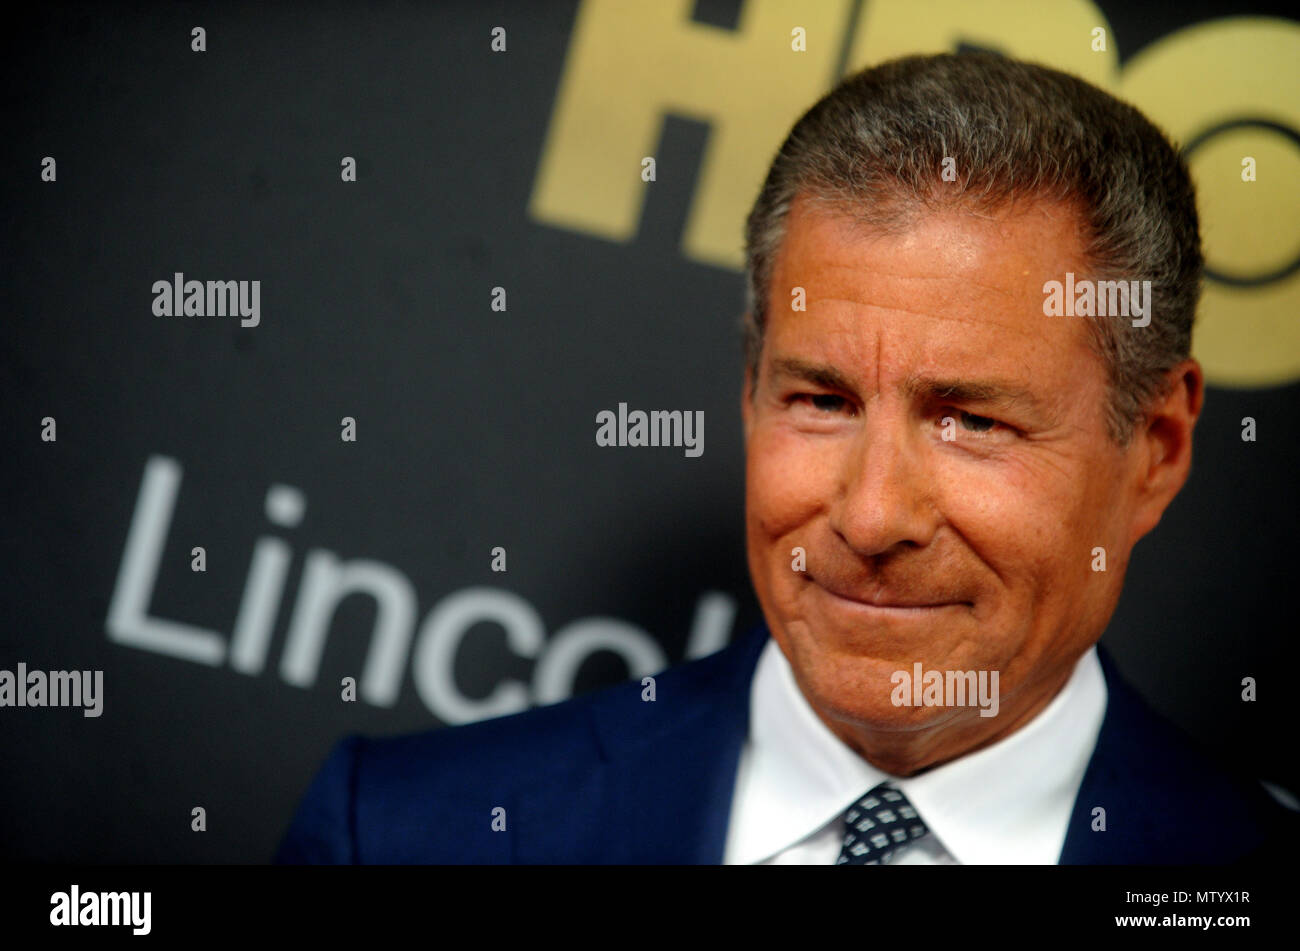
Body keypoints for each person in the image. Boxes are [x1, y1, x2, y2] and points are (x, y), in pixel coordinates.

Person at [275, 52, 1296, 864]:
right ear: (750, 393)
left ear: (1154, 453)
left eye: (969, 420)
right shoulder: (411, 833)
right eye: (820, 400)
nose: (870, 514)